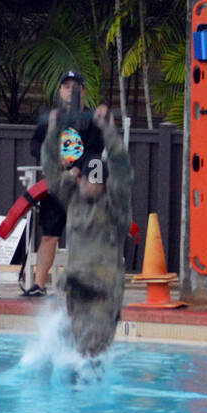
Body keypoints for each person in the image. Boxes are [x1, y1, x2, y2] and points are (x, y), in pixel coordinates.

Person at [42, 103, 132, 358]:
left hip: (103, 296)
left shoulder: (116, 208)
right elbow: (50, 168)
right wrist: (53, 130)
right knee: (63, 353)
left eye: (96, 180)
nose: (89, 183)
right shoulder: (73, 200)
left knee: (90, 358)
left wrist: (108, 130)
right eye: (86, 178)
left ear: (104, 185)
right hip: (75, 291)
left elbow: (122, 168)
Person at [20, 71, 105, 297]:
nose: (70, 90)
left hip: (82, 185)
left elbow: (96, 151)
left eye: (75, 86)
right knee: (49, 234)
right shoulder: (51, 118)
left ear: (83, 91)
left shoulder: (92, 120)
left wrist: (79, 169)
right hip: (56, 185)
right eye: (66, 86)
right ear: (60, 90)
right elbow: (34, 146)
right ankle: (38, 285)